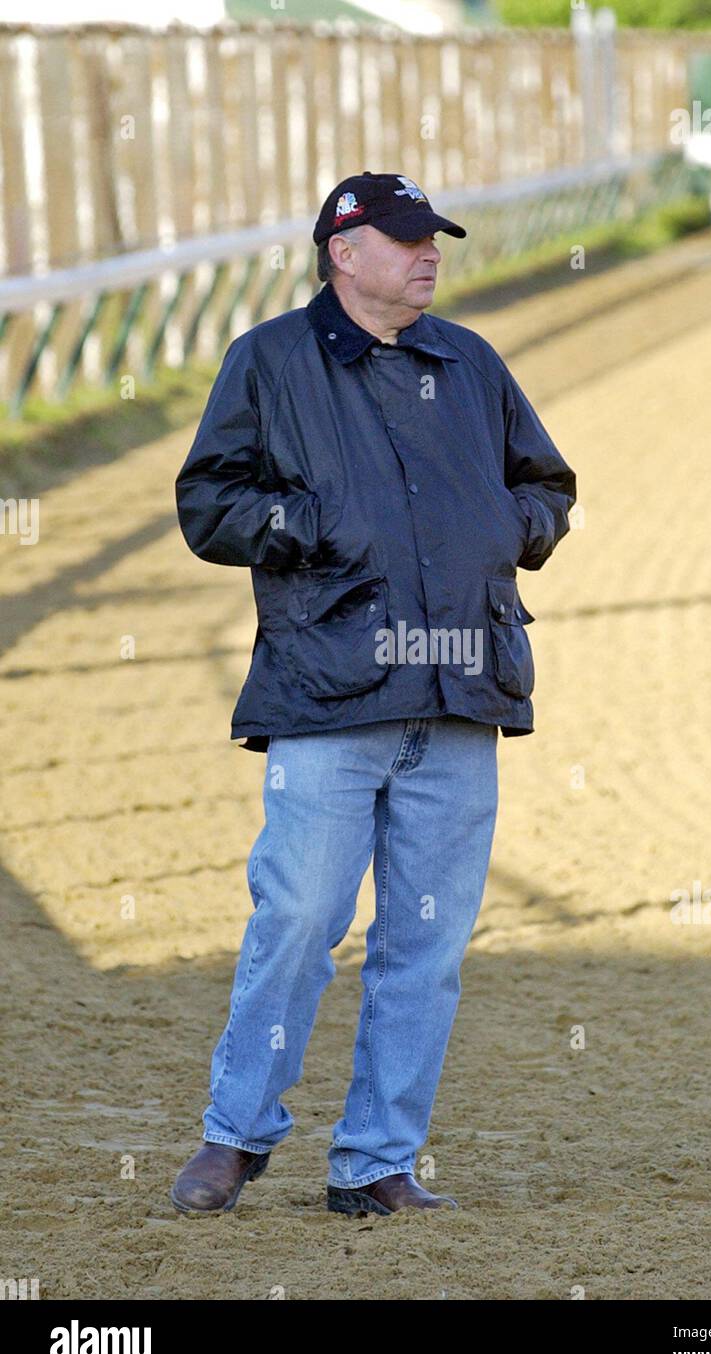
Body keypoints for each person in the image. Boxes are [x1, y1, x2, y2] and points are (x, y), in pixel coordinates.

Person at [170, 171, 576, 1218]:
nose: (429, 254)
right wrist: (305, 524)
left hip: (459, 695)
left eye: (432, 238)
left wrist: (508, 532)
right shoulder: (269, 361)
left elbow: (546, 483)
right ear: (344, 253)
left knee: (424, 946)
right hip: (327, 695)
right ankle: (236, 1134)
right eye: (405, 240)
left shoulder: (470, 362)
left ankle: (376, 1162)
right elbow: (209, 504)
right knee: (301, 919)